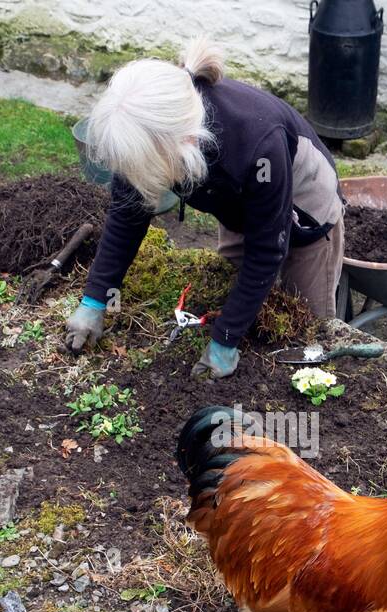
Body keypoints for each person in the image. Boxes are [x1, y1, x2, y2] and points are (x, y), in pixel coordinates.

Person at [66, 38, 345, 378]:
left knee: (304, 327)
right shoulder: (146, 132)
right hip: (240, 203)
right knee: (238, 287)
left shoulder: (258, 146)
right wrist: (94, 300)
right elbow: (128, 213)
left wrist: (224, 341)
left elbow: (267, 250)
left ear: (187, 145)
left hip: (307, 211)